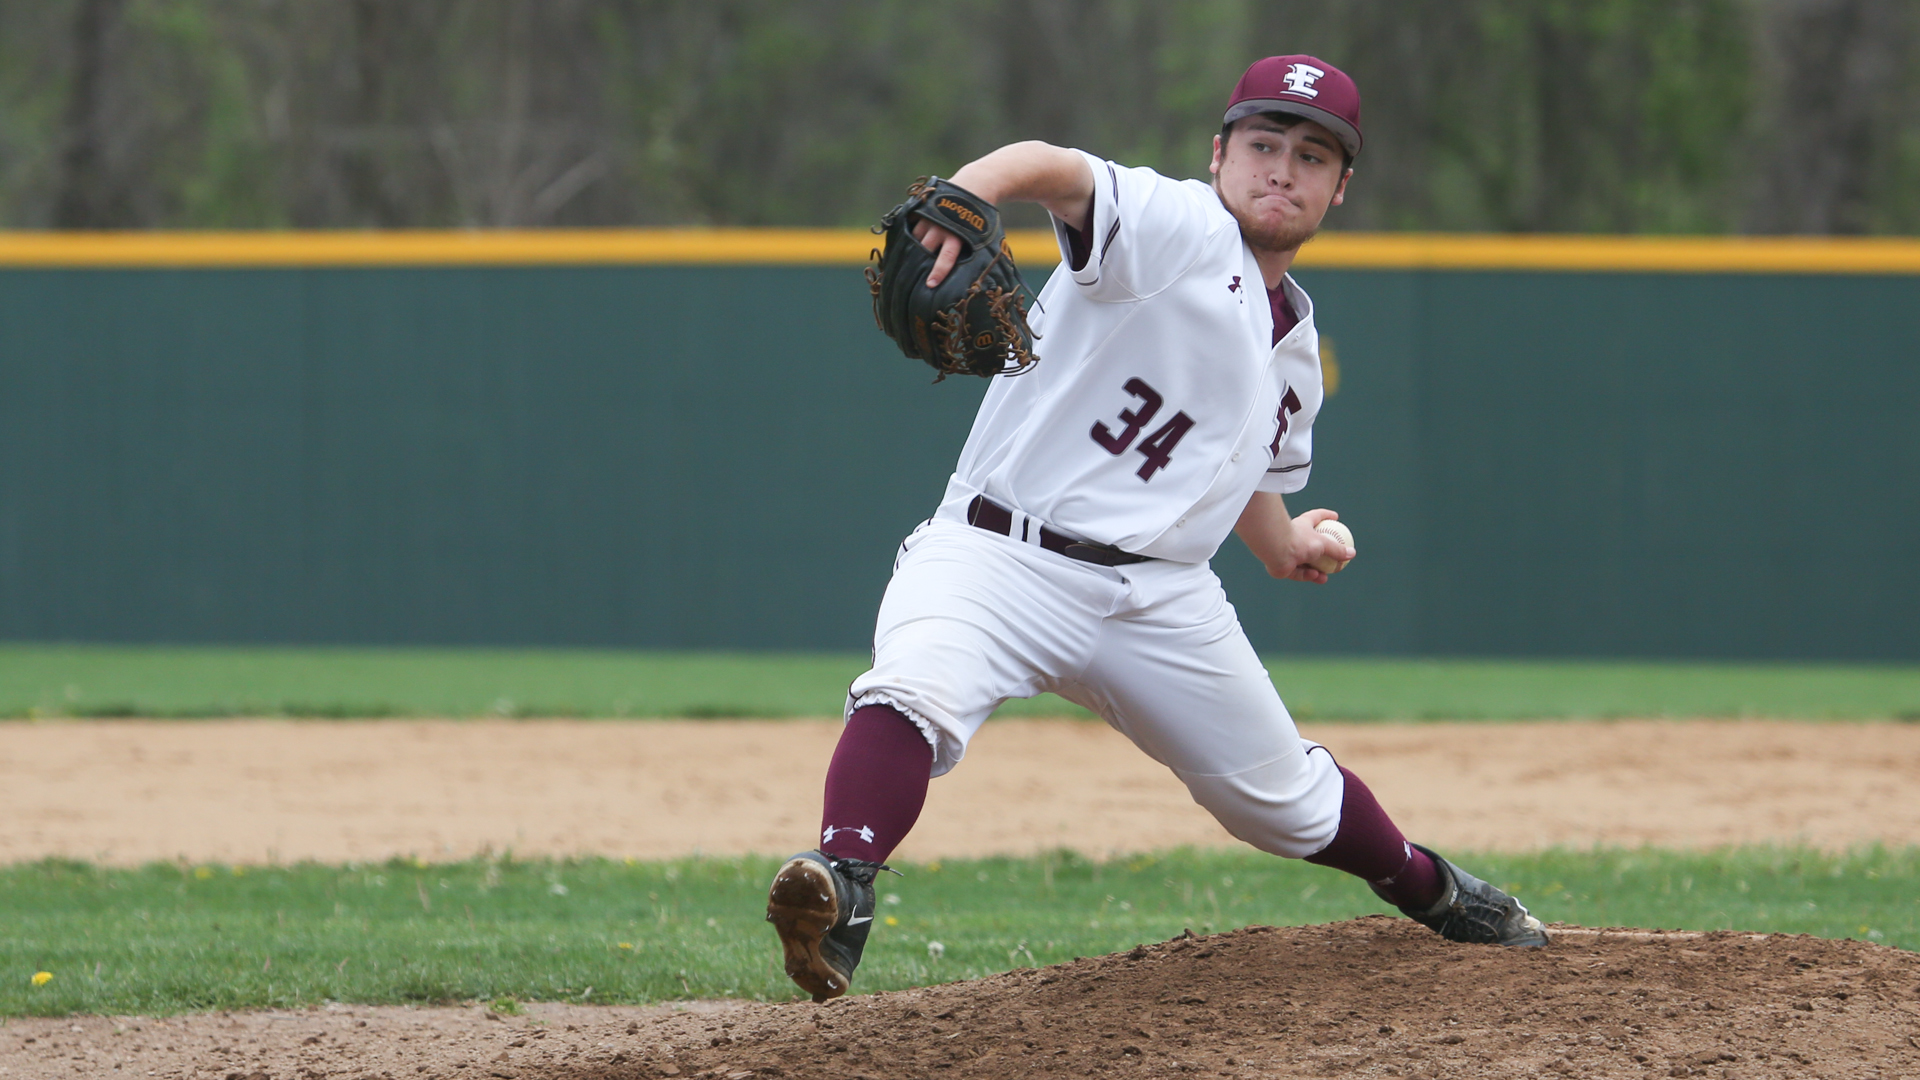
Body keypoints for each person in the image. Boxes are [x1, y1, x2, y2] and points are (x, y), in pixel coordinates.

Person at [765, 55, 1548, 1004]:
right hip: (999, 551)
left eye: (1311, 156)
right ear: (1220, 153)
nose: (1281, 170)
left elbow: (1247, 484)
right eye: (1263, 144)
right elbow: (1054, 164)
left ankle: (1436, 890)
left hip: (1162, 597)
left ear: (1339, 188)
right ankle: (839, 884)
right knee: (912, 688)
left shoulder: (1296, 349)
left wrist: (1291, 542)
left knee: (1284, 802)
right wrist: (967, 194)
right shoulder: (1177, 226)